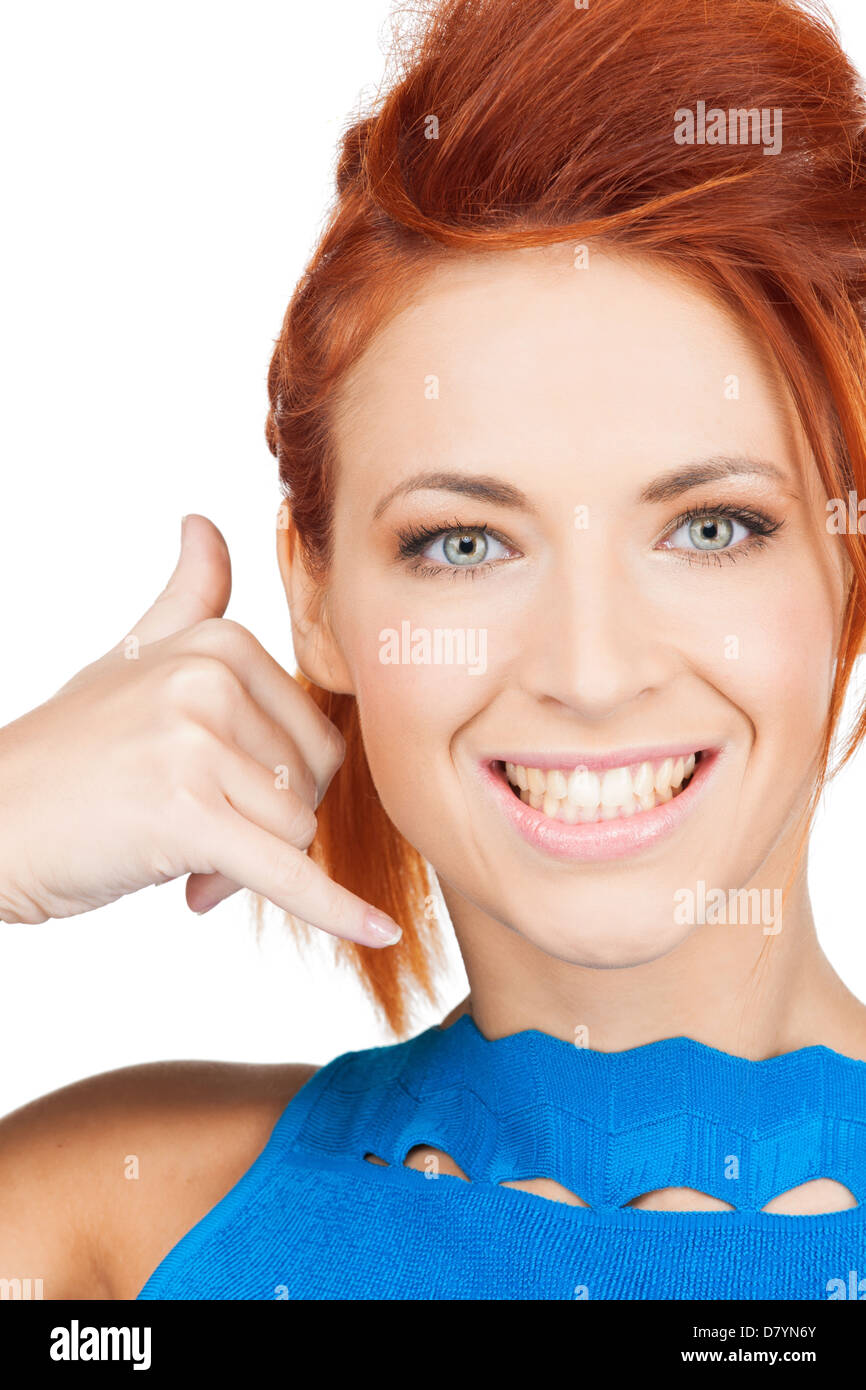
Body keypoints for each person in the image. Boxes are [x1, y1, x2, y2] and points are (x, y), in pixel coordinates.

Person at [2, 0, 866, 1300]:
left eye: (709, 525)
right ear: (316, 598)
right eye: (464, 542)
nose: (586, 668)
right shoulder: (107, 1233)